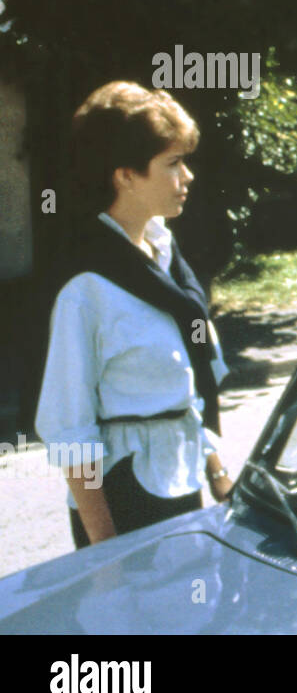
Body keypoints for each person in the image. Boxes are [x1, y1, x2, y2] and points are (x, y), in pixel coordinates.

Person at [36, 82, 234, 548]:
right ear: (125, 176)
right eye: (172, 164)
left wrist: (217, 471)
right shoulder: (86, 287)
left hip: (182, 482)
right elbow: (70, 430)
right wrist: (105, 552)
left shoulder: (167, 259)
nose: (188, 177)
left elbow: (187, 387)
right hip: (124, 501)